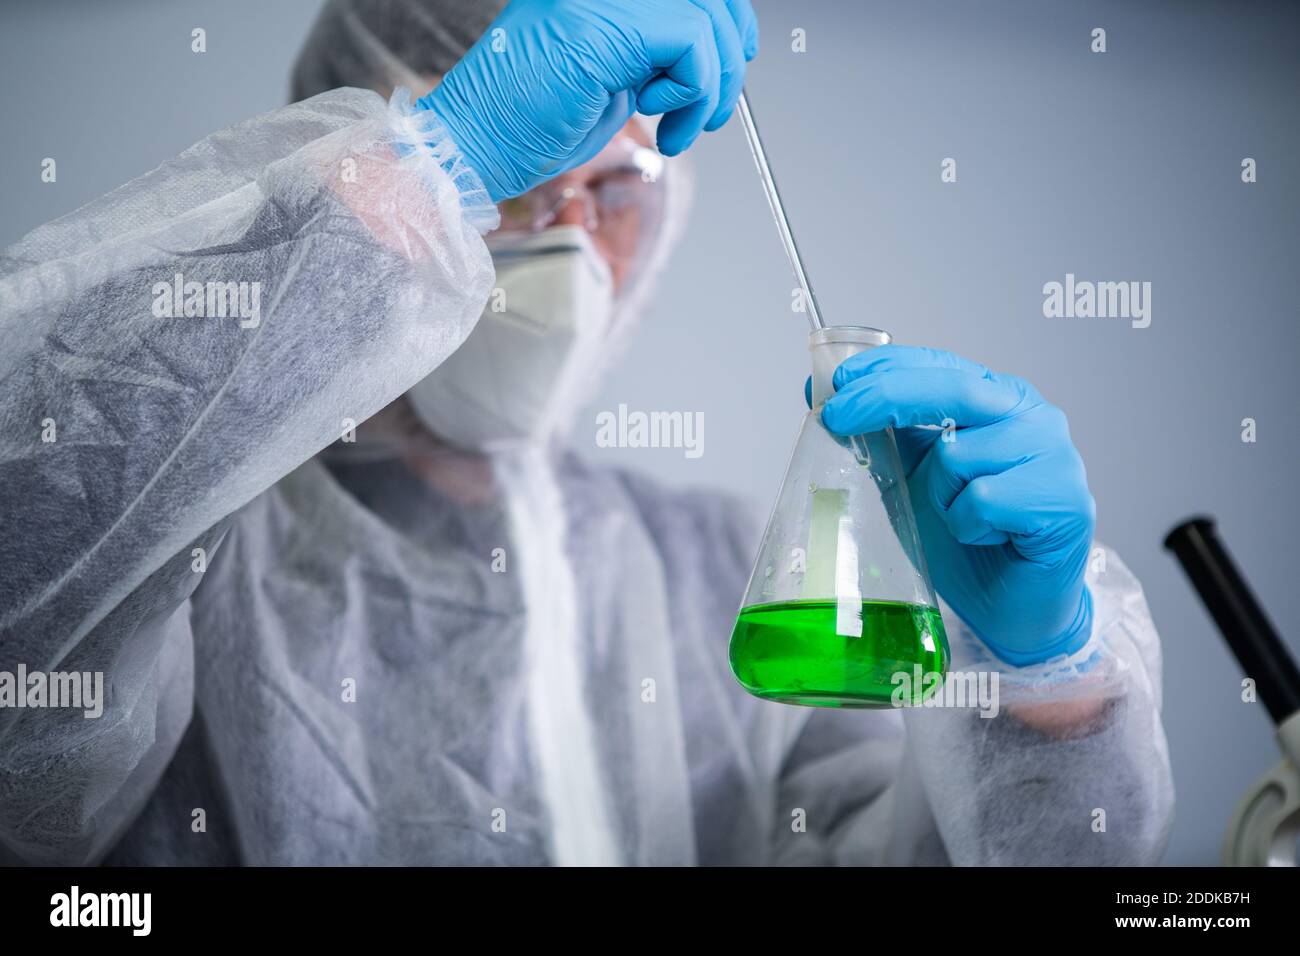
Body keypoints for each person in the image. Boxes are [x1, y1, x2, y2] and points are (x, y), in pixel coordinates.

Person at [0, 0, 1172, 866]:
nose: (566, 241)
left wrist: (1044, 684)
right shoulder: (172, 559)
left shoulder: (711, 574)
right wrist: (424, 172)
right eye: (519, 176)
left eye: (608, 192)